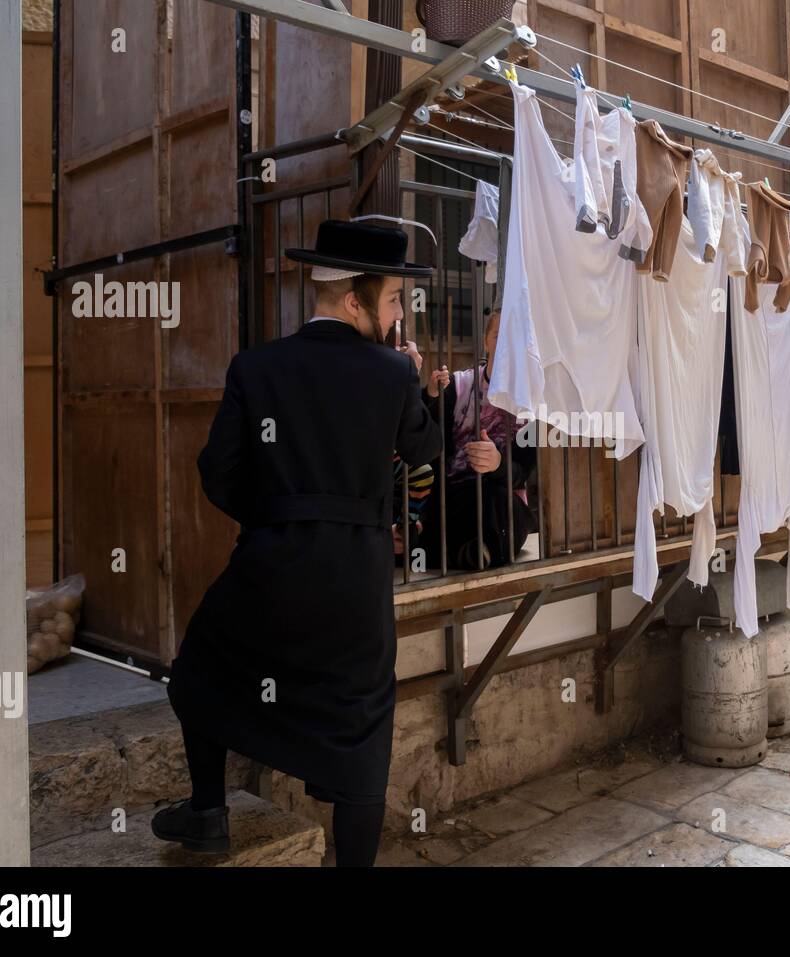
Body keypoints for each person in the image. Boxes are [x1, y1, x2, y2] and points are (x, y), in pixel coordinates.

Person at [155, 218, 441, 866]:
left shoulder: (255, 368)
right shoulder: (393, 375)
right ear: (353, 300)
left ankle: (207, 811)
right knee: (362, 731)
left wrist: (277, 521)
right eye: (394, 298)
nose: (398, 314)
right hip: (358, 585)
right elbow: (425, 454)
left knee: (199, 668)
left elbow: (216, 472)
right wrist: (414, 385)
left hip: (270, 572)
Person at [420, 307, 536, 570]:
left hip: (500, 502)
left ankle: (467, 553)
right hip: (456, 494)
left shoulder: (531, 402)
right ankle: (471, 553)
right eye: (498, 335)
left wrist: (497, 463)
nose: (505, 343)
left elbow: (523, 472)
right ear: (485, 341)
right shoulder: (459, 385)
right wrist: (430, 395)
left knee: (496, 504)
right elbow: (427, 438)